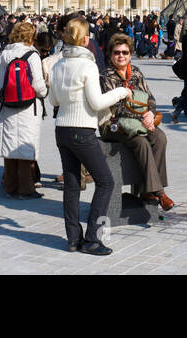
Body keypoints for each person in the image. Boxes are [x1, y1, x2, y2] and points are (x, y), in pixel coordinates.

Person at [49, 17, 130, 256]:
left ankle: (73, 239)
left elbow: (53, 100)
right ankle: (92, 239)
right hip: (82, 130)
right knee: (105, 182)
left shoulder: (58, 64)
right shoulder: (88, 66)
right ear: (85, 39)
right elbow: (96, 102)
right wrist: (121, 92)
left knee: (72, 185)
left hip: (61, 129)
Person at [101, 33, 174, 210]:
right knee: (141, 142)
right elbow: (117, 109)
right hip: (113, 125)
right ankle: (158, 193)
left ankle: (150, 190)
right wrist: (144, 121)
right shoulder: (106, 76)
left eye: (125, 52)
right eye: (117, 52)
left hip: (139, 122)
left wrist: (150, 113)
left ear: (130, 54)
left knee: (160, 137)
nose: (121, 56)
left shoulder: (136, 72)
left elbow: (150, 98)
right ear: (111, 54)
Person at [0, 20, 48, 198]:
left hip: (7, 103)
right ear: (31, 36)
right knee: (25, 145)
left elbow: (2, 81)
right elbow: (38, 84)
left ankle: (10, 185)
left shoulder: (6, 53)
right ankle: (26, 188)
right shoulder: (32, 55)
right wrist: (45, 92)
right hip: (28, 106)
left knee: (9, 144)